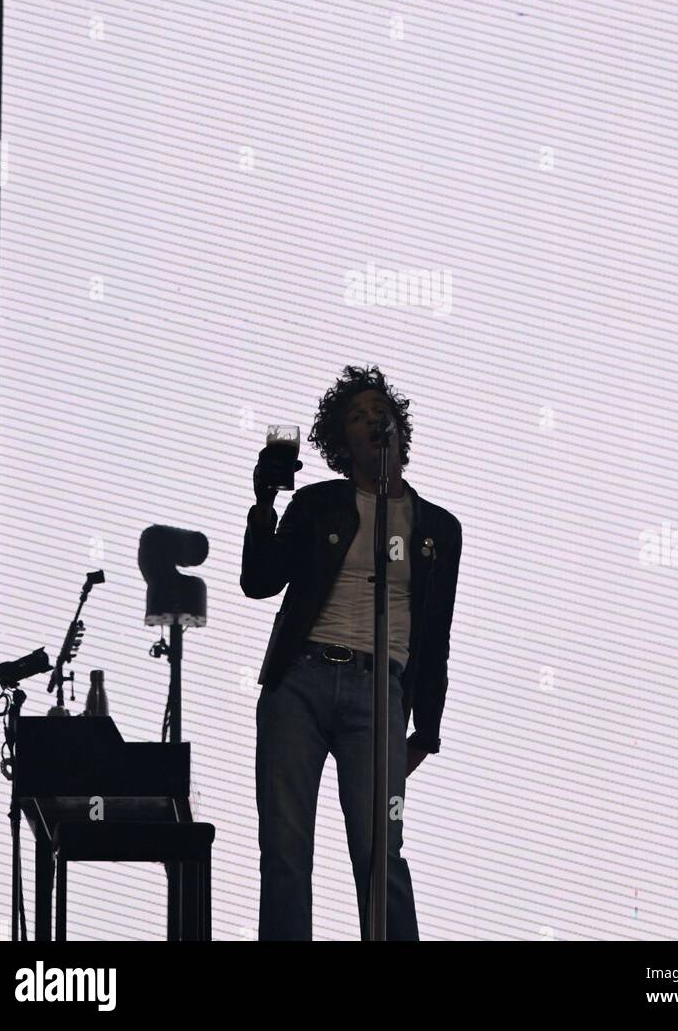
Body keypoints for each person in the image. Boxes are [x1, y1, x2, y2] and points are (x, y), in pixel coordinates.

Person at [241, 363, 462, 940]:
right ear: (344, 444)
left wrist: (427, 733)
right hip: (300, 682)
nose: (371, 423)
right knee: (285, 849)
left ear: (398, 430)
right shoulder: (317, 504)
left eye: (378, 414)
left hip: (379, 692)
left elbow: (435, 633)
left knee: (380, 850)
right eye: (357, 418)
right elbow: (259, 580)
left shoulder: (437, 526)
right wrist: (264, 502)